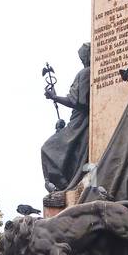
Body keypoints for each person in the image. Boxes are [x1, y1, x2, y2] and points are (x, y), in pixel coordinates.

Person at [41, 43, 92, 192]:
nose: (82, 60)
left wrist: (54, 97)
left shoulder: (84, 73)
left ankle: (61, 186)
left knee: (48, 148)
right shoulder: (89, 72)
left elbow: (76, 102)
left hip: (79, 124)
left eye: (82, 57)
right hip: (78, 121)